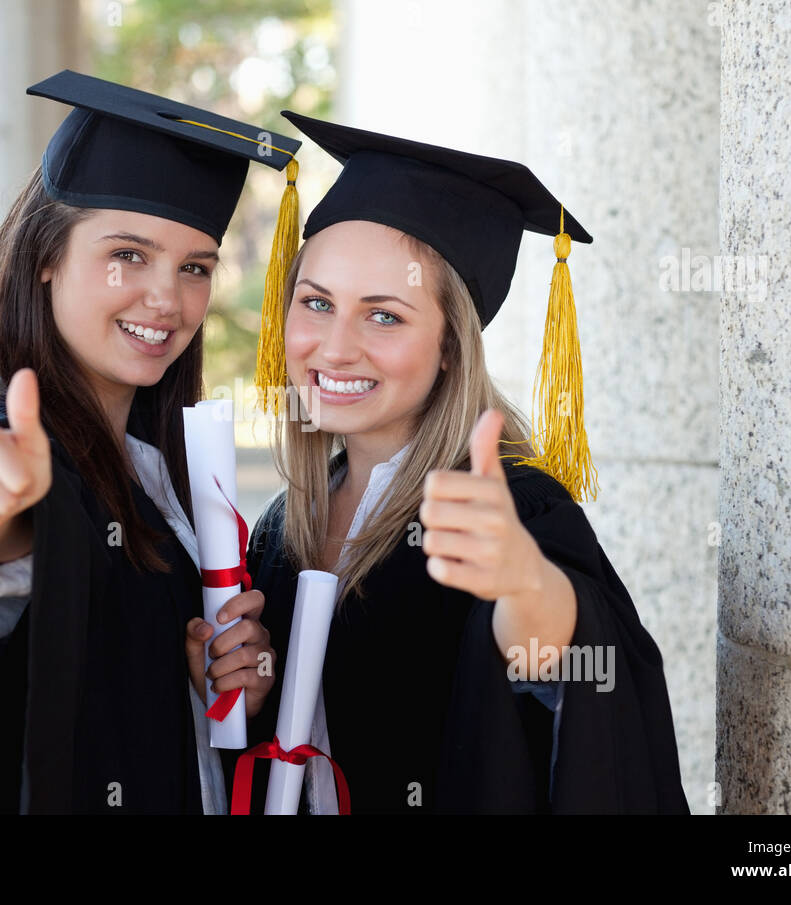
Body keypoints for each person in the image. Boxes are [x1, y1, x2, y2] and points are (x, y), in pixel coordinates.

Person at [0, 71, 299, 814]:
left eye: (195, 268)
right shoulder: (5, 446)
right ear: (46, 256)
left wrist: (218, 690)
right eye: (128, 254)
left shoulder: (151, 469)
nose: (167, 299)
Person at [220, 112, 690, 814]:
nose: (336, 347)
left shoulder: (512, 509)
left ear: (450, 345)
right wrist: (252, 687)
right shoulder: (285, 522)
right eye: (316, 302)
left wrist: (528, 586)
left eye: (385, 316)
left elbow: (581, 667)